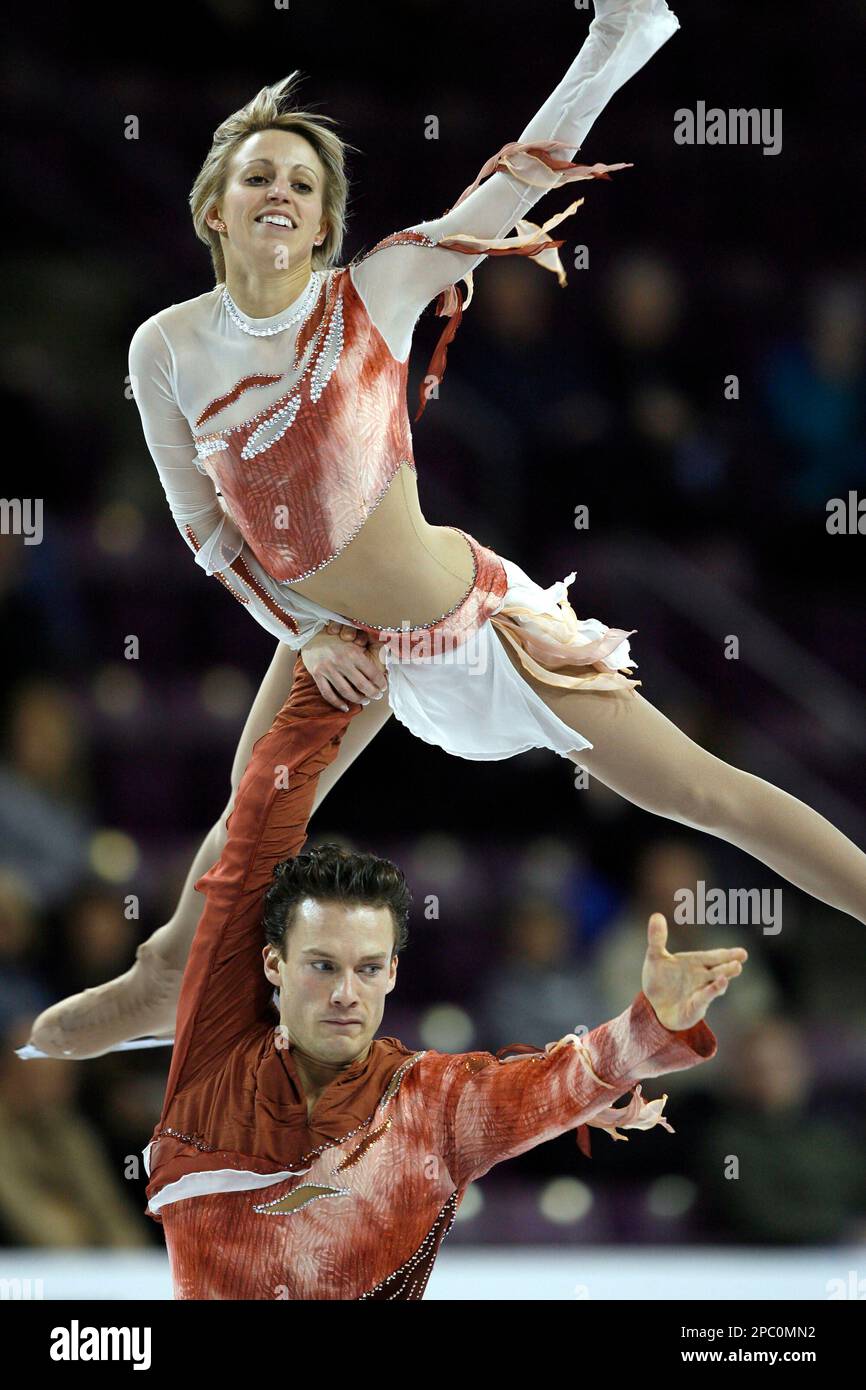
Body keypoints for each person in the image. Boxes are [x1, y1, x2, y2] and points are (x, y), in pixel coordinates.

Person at [30, 0, 866, 1061]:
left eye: (301, 181)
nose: (279, 191)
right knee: (217, 892)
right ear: (213, 208)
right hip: (335, 652)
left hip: (472, 627)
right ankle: (158, 985)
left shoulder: (372, 294)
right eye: (258, 177)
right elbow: (202, 528)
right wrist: (312, 631)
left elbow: (519, 177)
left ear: (327, 223)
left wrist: (612, 44)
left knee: (707, 792)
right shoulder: (165, 351)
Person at [142, 656, 743, 1300]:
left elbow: (556, 1084)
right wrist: (326, 645)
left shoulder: (428, 1106)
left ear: (392, 974)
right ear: (273, 966)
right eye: (322, 966)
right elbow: (260, 817)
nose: (347, 992)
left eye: (368, 968)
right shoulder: (214, 1054)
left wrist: (651, 1024)